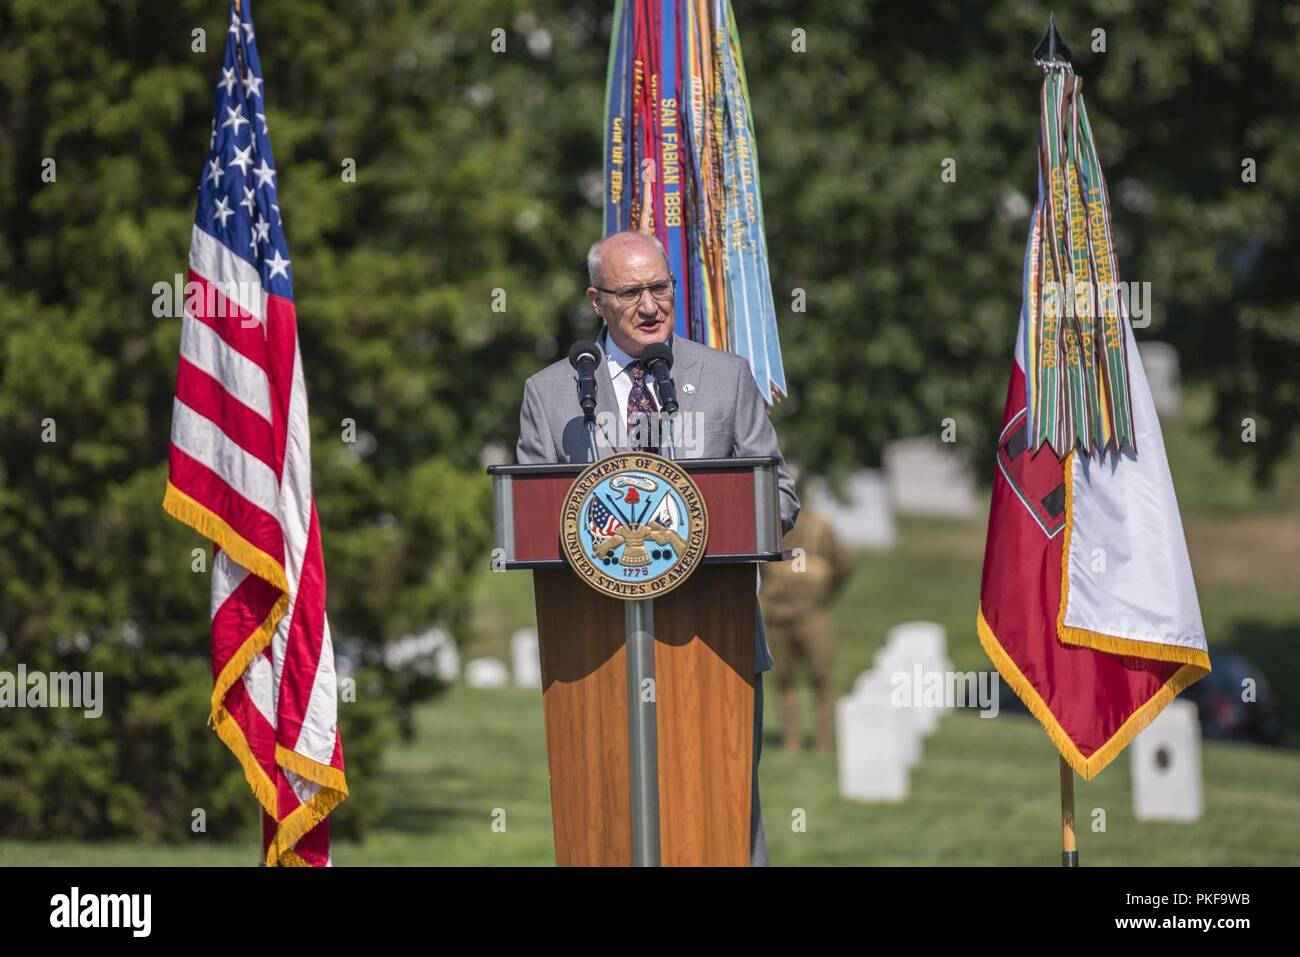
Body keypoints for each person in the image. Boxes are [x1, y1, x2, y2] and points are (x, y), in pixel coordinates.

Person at [515, 229, 799, 865]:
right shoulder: (553, 392)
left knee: (721, 814)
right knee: (608, 814)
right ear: (597, 300)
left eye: (660, 287)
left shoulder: (725, 378)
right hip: (593, 645)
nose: (650, 305)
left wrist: (709, 538)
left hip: (713, 640)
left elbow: (778, 494)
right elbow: (531, 518)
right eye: (631, 292)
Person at [759, 469, 855, 752]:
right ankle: (791, 740)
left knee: (821, 677)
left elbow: (844, 564)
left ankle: (823, 740)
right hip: (777, 615)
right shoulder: (767, 526)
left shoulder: (821, 528)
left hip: (813, 614)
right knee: (784, 678)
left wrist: (825, 593)